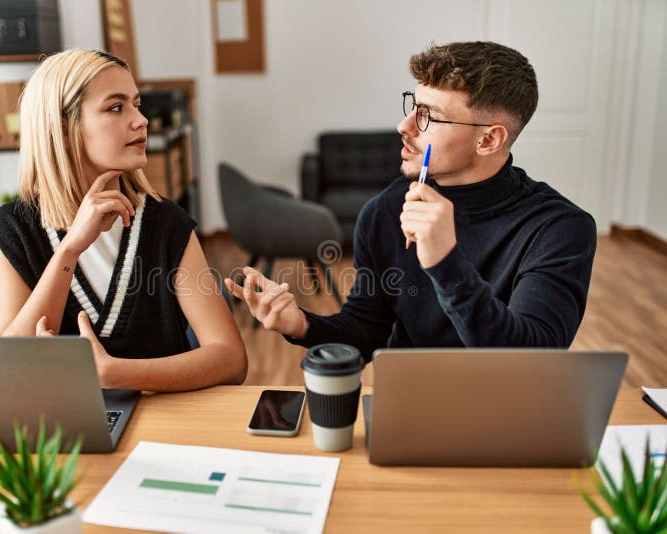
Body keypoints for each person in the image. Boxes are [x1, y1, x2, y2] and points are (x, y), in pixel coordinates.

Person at [224, 41, 597, 363]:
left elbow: (530, 362)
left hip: (509, 413)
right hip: (406, 403)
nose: (404, 126)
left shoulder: (558, 228)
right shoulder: (386, 210)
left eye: (427, 116)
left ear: (488, 140)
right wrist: (300, 323)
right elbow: (366, 330)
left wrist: (445, 262)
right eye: (413, 105)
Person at [0, 49, 247, 391]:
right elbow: (5, 365)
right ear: (63, 130)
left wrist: (114, 373)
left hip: (163, 428)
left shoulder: (166, 222)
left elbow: (231, 359)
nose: (141, 120)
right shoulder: (14, 227)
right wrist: (69, 250)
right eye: (115, 107)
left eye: (136, 104)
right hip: (66, 434)